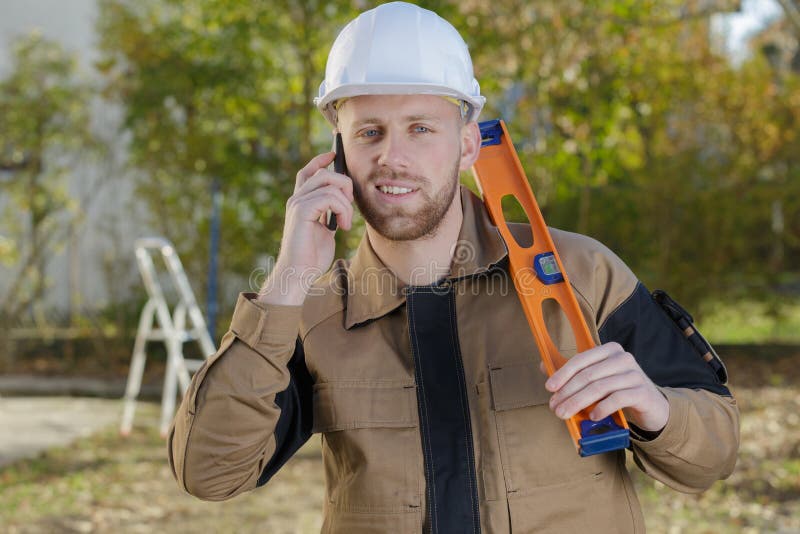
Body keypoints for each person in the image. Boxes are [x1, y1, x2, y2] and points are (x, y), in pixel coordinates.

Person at [168, 3, 739, 532]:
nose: (393, 155)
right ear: (337, 150)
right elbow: (210, 473)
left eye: (421, 128)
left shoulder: (579, 275)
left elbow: (711, 458)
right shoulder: (309, 312)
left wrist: (655, 409)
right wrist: (287, 280)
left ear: (468, 145)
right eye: (369, 132)